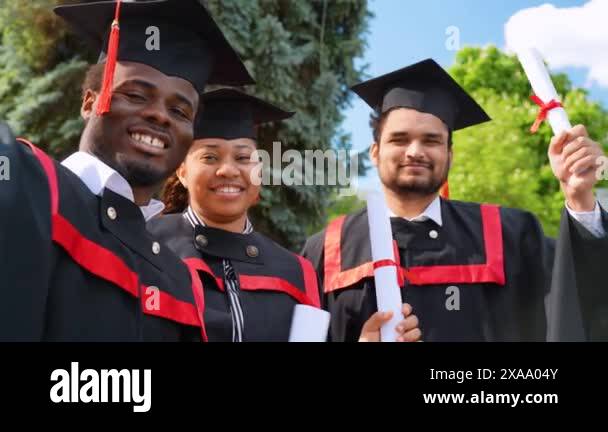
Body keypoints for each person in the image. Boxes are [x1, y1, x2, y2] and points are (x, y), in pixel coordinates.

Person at [301, 58, 608, 342]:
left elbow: (584, 299)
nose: (415, 151)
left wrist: (579, 198)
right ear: (375, 152)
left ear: (450, 154)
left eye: (431, 140)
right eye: (399, 139)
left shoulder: (508, 235)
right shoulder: (327, 251)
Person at [0, 0, 254, 341]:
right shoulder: (24, 183)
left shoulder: (179, 280)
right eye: (135, 94)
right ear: (90, 103)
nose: (160, 116)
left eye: (180, 111)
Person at [148, 88, 421, 342]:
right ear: (182, 171)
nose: (228, 170)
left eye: (243, 158)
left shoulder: (295, 272)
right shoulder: (147, 246)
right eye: (209, 158)